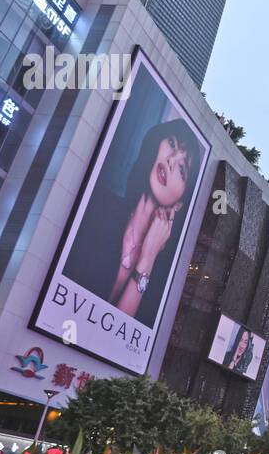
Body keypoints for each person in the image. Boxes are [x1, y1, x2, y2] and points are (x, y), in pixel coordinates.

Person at [63, 118, 201, 323]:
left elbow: (116, 336)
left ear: (180, 203)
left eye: (183, 170)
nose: (172, 160)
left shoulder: (165, 274)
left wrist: (148, 257)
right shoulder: (97, 207)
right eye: (171, 143)